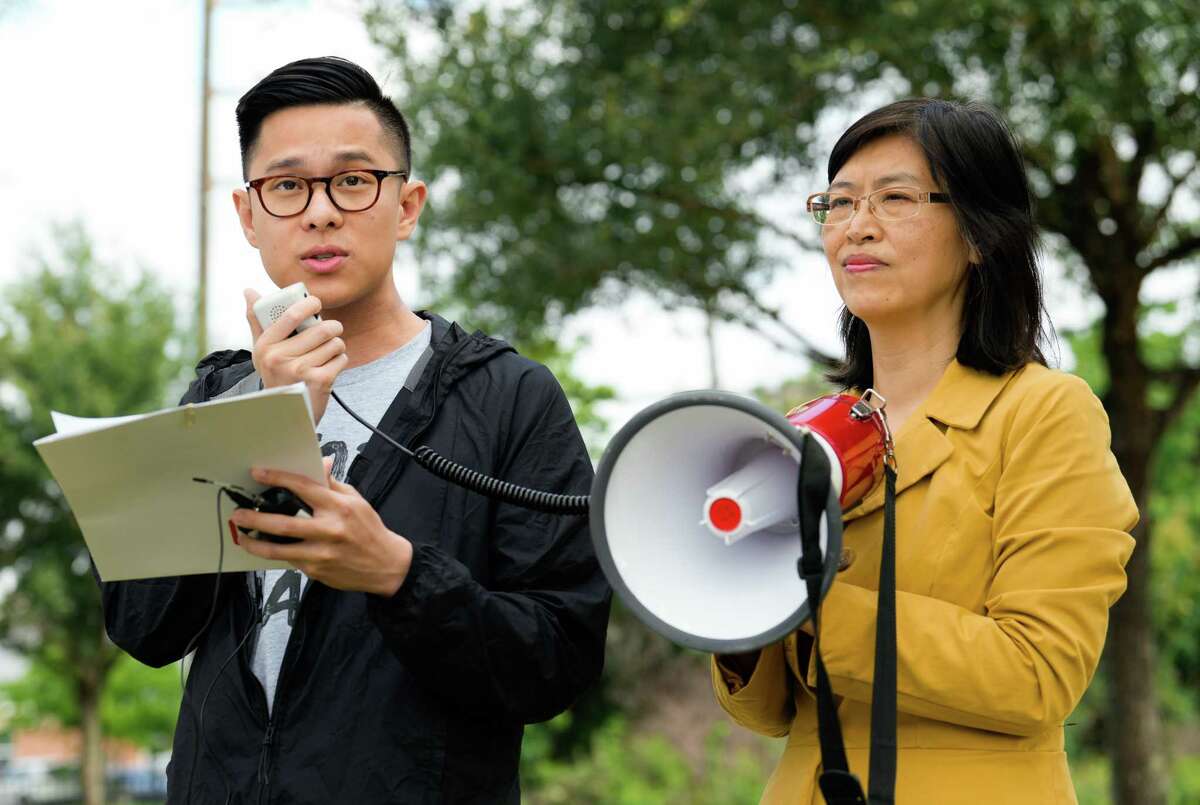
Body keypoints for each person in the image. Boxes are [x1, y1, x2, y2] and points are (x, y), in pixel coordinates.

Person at [97, 56, 611, 804]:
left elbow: (558, 660)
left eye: (352, 180)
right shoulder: (218, 392)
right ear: (248, 215)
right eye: (286, 186)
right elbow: (142, 627)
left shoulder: (510, 397)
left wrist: (399, 575)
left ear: (406, 205)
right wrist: (260, 418)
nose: (320, 212)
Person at [711, 98, 1138, 804]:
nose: (858, 226)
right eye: (838, 203)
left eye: (896, 198)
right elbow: (768, 711)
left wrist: (811, 605)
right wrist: (733, 619)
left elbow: (1037, 673)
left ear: (978, 235)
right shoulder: (802, 434)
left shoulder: (1044, 413)